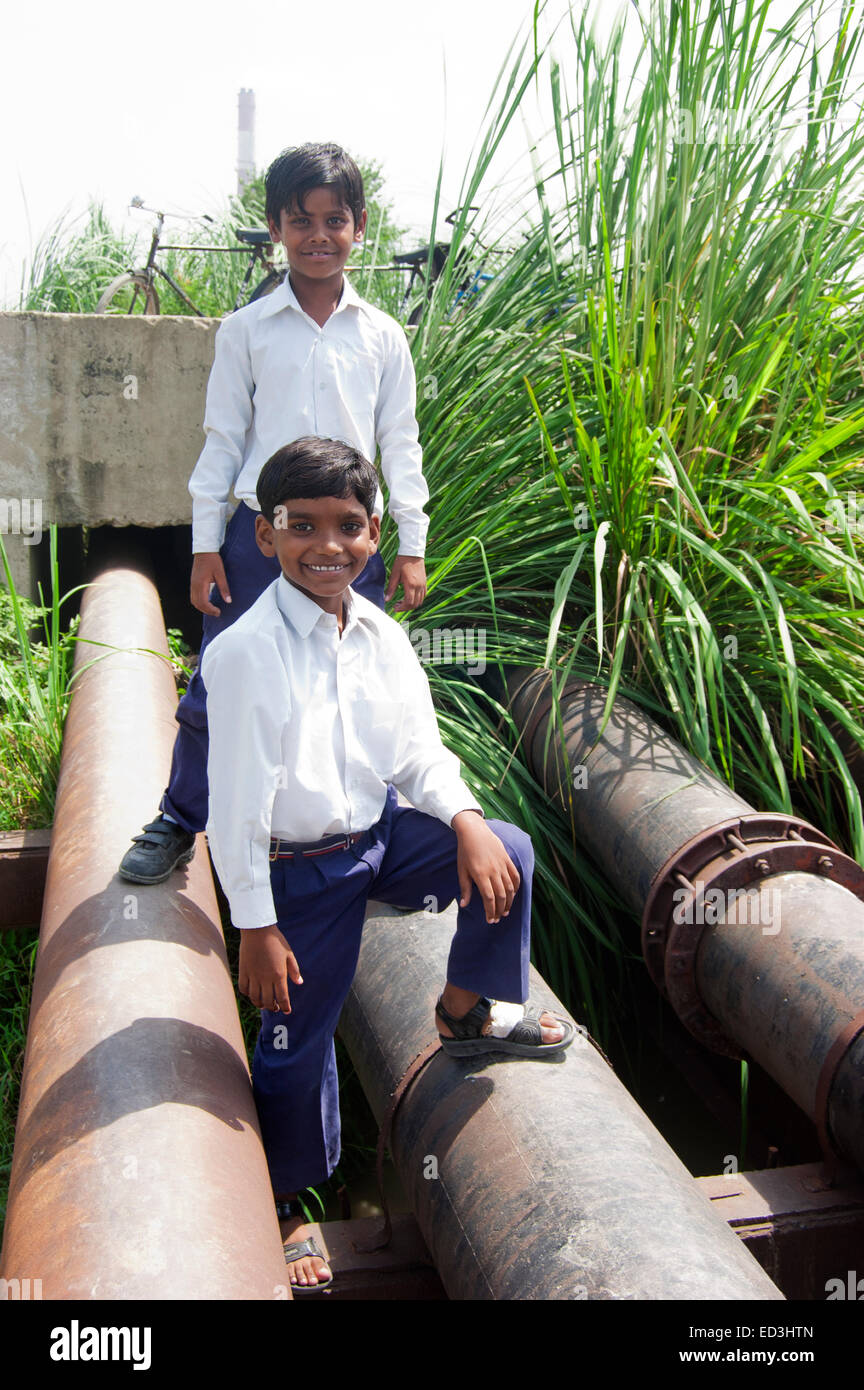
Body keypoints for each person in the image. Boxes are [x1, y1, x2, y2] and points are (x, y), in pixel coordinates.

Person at [200, 436, 575, 1291]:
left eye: (349, 526)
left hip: (378, 839)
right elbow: (234, 811)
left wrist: (467, 820)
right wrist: (255, 925)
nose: (326, 545)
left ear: (374, 536)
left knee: (508, 849)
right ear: (267, 536)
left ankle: (465, 1012)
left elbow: (418, 754)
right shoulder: (248, 654)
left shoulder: (379, 636)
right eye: (302, 526)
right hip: (299, 872)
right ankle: (290, 1194)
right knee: (296, 1040)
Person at [120, 141, 430, 884]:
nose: (318, 236)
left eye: (334, 220)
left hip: (351, 545)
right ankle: (180, 818)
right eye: (300, 221)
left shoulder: (383, 336)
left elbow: (400, 442)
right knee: (219, 678)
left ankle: (362, 827)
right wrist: (205, 546)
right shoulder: (246, 331)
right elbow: (223, 442)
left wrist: (410, 543)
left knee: (354, 679)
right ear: (275, 227)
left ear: (359, 227)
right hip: (262, 536)